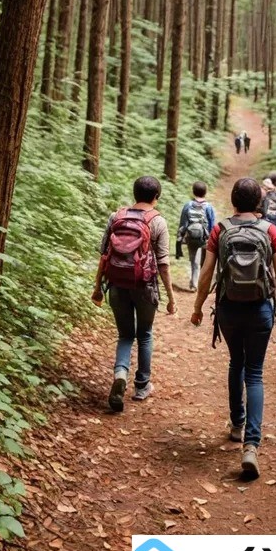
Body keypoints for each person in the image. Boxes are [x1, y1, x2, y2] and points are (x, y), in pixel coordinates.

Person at [191, 177, 276, 479]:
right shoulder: (270, 229)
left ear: (233, 201)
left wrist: (197, 308)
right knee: (255, 372)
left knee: (237, 362)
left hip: (229, 308)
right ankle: (251, 445)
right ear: (258, 202)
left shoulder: (220, 229)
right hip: (261, 309)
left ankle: (236, 423)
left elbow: (206, 273)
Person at [92, 175, 176, 411]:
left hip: (117, 284)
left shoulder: (115, 217)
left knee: (125, 335)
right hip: (145, 287)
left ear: (134, 194)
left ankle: (120, 374)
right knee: (145, 334)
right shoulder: (158, 222)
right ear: (156, 198)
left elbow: (104, 255)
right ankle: (141, 385)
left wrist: (98, 287)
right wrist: (171, 297)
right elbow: (163, 264)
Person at [177, 181, 216, 291]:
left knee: (194, 261)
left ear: (193, 192)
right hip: (205, 238)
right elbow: (212, 223)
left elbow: (183, 223)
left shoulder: (188, 205)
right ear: (205, 192)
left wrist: (180, 237)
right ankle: (203, 283)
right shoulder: (208, 207)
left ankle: (194, 284)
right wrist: (211, 238)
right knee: (205, 261)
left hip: (191, 237)